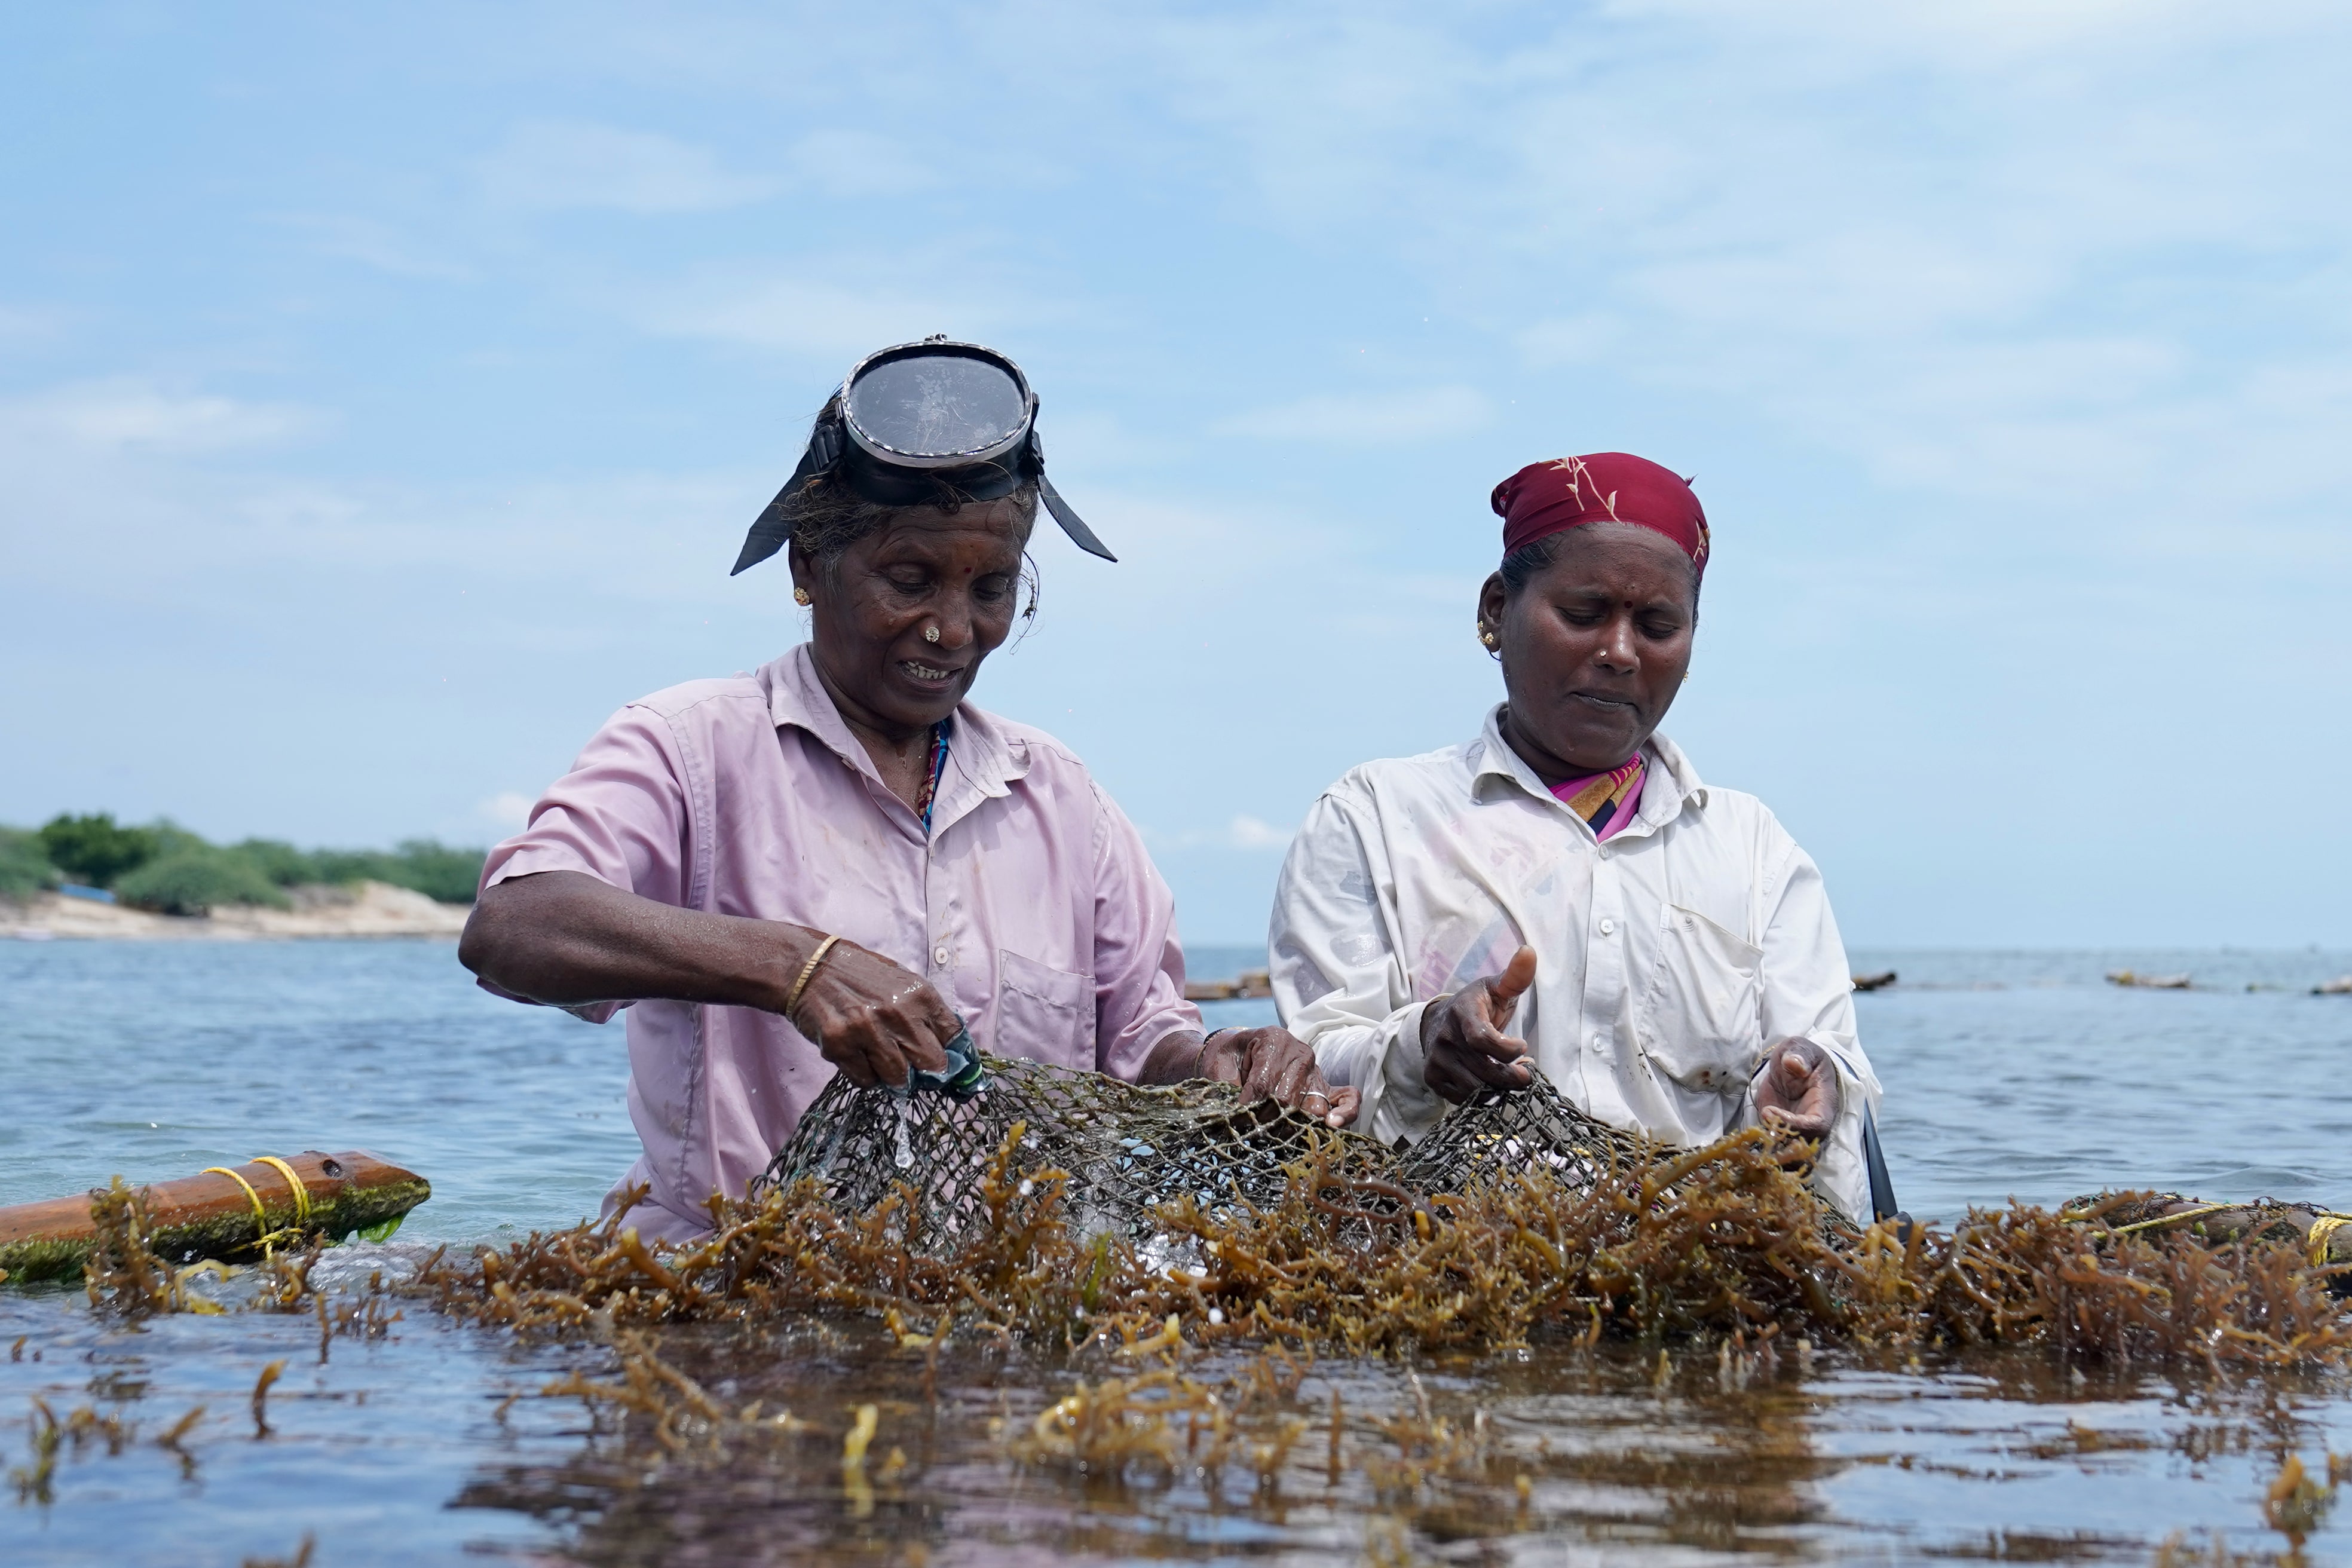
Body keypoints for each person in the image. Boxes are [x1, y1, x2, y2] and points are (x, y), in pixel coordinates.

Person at [461, 338, 1356, 1241]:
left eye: (992, 587)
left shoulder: (1062, 798)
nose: (953, 629)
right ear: (807, 567)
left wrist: (1222, 1064)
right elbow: (514, 927)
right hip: (729, 1283)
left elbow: (1143, 1043)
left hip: (1006, 1293)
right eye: (909, 580)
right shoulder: (690, 746)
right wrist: (795, 967)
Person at [1266, 452, 1883, 1221]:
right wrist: (1424, 1042)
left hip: (1694, 1260)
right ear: (1497, 610)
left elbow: (1829, 1064)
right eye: (1584, 613)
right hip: (1433, 1253)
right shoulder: (1374, 817)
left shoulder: (1754, 851)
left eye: (1658, 626)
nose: (1620, 652)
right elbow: (1314, 1059)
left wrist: (1815, 1079)